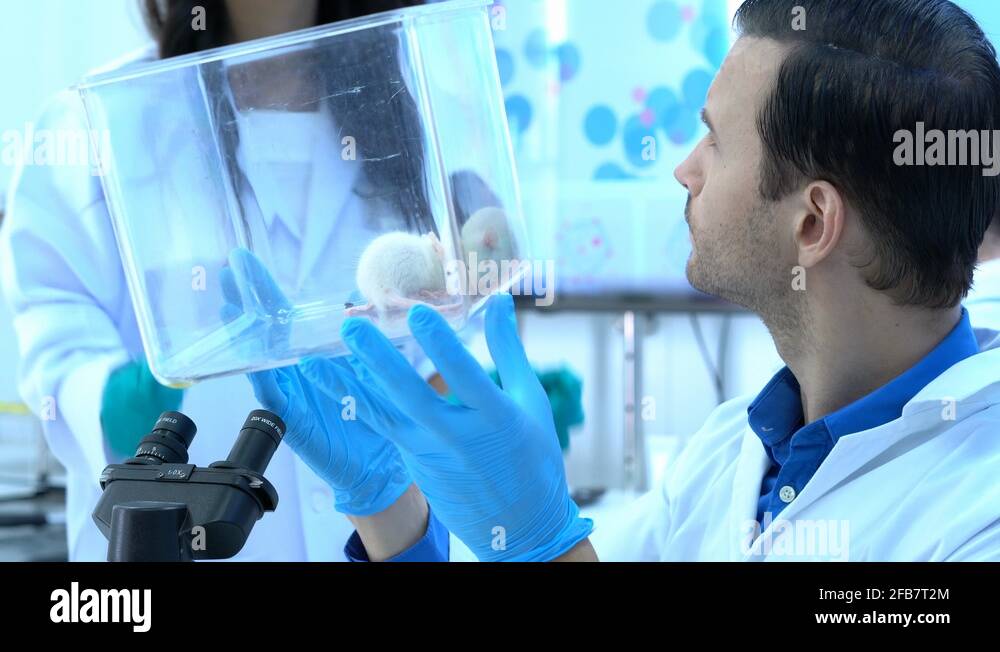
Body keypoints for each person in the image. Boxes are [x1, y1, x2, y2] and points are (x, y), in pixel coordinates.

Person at [263, 0, 1000, 561]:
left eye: (715, 139)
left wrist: (541, 538)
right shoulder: (733, 450)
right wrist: (390, 510)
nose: (686, 168)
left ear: (812, 223)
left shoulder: (976, 513)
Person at [0, 0, 438, 561]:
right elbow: (56, 326)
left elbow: (427, 327)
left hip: (379, 543)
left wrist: (479, 389)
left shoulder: (404, 103)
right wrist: (107, 400)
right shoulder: (97, 120)